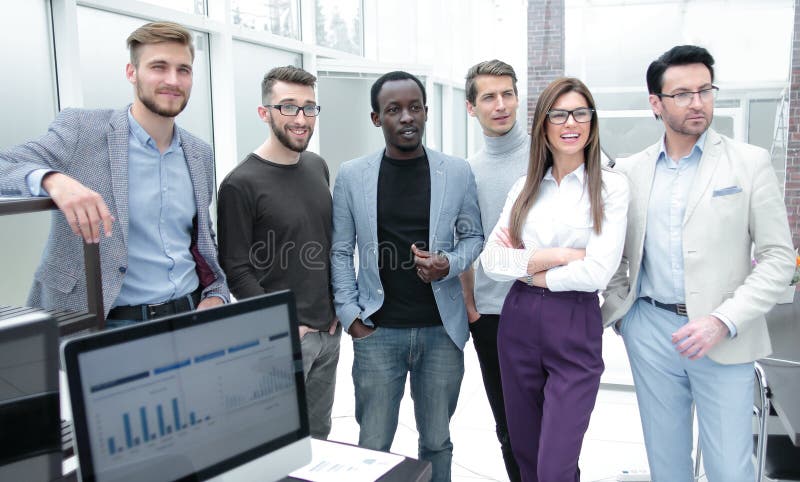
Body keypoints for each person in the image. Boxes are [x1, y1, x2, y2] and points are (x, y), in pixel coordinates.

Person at [602, 45, 795, 482]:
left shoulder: (750, 163)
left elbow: (778, 259)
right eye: (683, 94)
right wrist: (624, 317)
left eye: (705, 90)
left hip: (723, 335)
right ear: (656, 103)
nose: (697, 102)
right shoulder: (630, 171)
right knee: (667, 466)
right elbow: (615, 255)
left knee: (729, 470)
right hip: (651, 332)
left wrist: (723, 320)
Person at [0, 21, 228, 325]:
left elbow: (201, 237)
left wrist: (216, 293)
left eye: (183, 70)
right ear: (132, 72)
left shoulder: (199, 153)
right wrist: (53, 180)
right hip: (105, 322)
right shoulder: (82, 130)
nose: (173, 80)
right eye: (158, 67)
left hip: (189, 314)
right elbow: (5, 165)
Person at [330, 71, 483, 482]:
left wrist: (448, 263)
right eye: (393, 109)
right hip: (378, 331)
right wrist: (350, 316)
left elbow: (473, 237)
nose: (406, 117)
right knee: (373, 444)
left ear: (426, 112)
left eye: (415, 107)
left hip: (441, 332)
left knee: (437, 443)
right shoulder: (352, 175)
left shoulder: (457, 171)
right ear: (376, 118)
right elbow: (340, 250)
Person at [480, 77, 628, 482]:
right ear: (543, 124)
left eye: (580, 113)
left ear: (592, 121)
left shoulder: (610, 187)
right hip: (518, 321)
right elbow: (492, 261)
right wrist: (560, 256)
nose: (571, 123)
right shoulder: (525, 188)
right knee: (526, 455)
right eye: (558, 114)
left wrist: (530, 270)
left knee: (554, 466)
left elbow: (597, 270)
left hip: (574, 322)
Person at [217, 65, 340, 439]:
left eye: (309, 107)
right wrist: (283, 324)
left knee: (319, 440)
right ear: (264, 112)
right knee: (275, 442)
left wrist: (335, 310)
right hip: (282, 340)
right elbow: (235, 269)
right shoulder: (240, 184)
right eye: (288, 107)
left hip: (328, 334)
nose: (301, 119)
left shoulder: (317, 166)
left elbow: (325, 244)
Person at [459, 59, 526, 482]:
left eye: (507, 94)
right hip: (493, 318)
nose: (500, 105)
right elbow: (466, 241)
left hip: (549, 307)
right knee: (510, 429)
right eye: (488, 97)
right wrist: (471, 308)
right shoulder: (468, 171)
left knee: (555, 428)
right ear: (472, 107)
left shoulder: (550, 154)